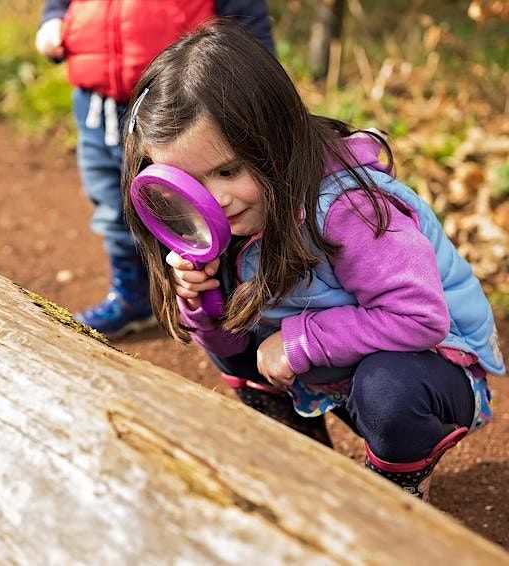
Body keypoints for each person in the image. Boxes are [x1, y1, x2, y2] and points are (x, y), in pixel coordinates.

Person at [122, 20, 506, 499]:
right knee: (231, 324)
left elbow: (420, 319)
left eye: (228, 170)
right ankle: (305, 461)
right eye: (189, 184)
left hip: (431, 367)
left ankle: (399, 488)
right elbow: (226, 342)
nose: (213, 199)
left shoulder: (348, 207)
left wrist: (299, 341)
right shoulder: (228, 218)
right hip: (334, 370)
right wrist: (200, 301)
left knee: (389, 390)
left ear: (275, 139)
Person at [35, 1, 275, 339]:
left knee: (205, 203)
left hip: (183, 108)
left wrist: (256, 87)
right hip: (95, 103)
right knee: (111, 201)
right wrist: (53, 19)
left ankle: (236, 299)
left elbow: (246, 14)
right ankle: (134, 294)